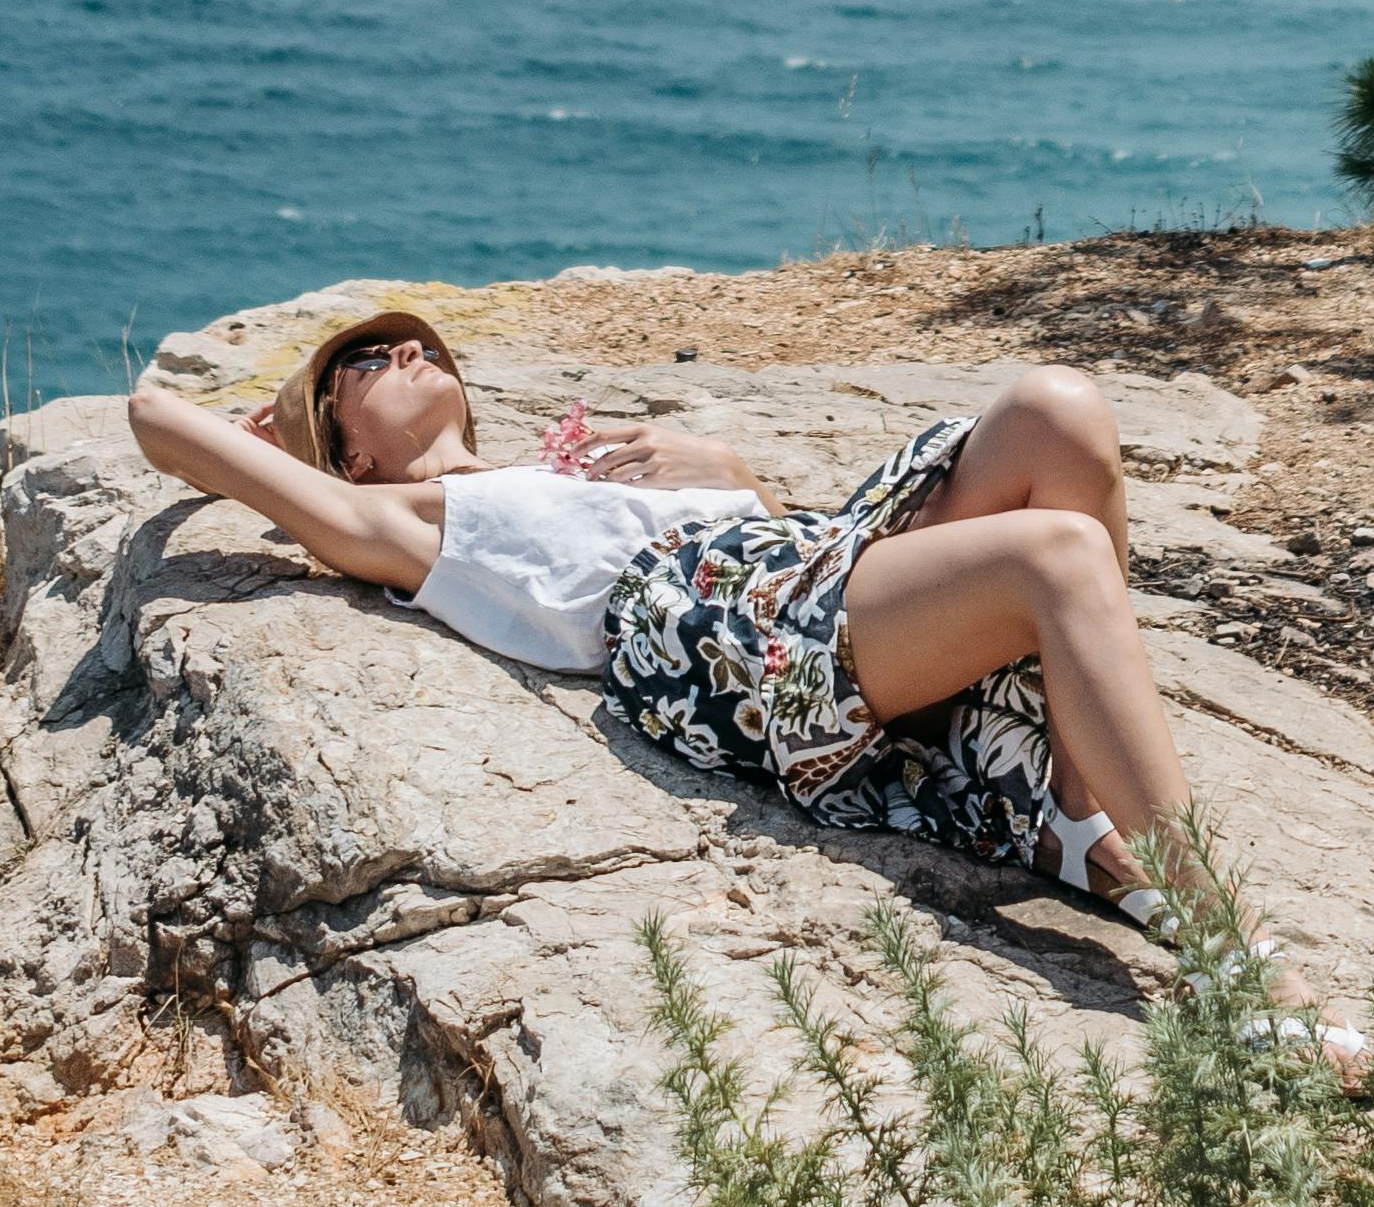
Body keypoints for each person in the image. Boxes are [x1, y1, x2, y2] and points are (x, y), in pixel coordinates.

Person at [120, 304, 1207, 932]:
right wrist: (258, 443)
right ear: (344, 448)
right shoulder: (410, 520)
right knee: (1054, 551)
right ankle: (1235, 939)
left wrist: (731, 478)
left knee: (1056, 407)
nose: (412, 351)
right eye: (368, 359)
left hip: (794, 589)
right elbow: (151, 416)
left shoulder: (558, 476)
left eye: (424, 346)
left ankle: (1072, 803)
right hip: (725, 642)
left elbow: (816, 573)